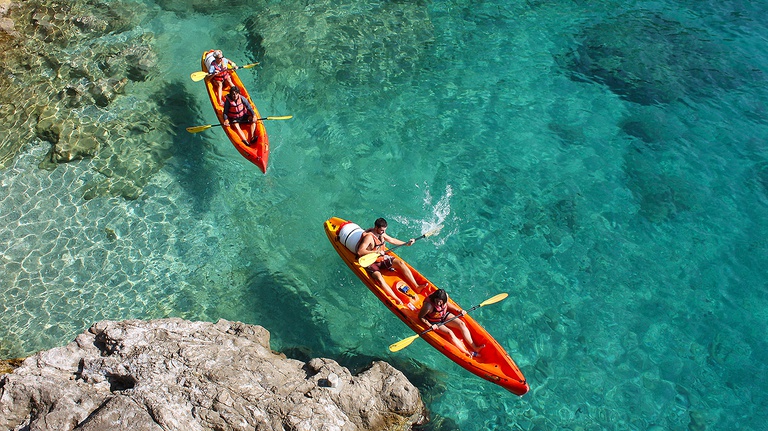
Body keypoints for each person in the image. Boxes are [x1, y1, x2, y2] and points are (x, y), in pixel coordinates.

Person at [356, 218, 428, 306]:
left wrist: (406, 243)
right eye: (382, 230)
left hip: (381, 258)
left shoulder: (381, 234)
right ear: (376, 227)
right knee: (379, 278)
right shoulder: (369, 237)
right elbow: (360, 251)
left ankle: (416, 287)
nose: (383, 232)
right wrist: (376, 252)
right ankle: (396, 299)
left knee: (400, 263)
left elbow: (392, 240)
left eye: (384, 230)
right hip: (371, 261)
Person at [419, 289, 484, 357]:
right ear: (434, 298)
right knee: (450, 333)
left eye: (440, 302)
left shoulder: (446, 296)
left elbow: (447, 304)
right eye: (436, 301)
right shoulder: (428, 306)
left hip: (443, 315)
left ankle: (474, 347)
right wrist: (430, 325)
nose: (438, 303)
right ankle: (466, 352)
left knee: (461, 324)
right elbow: (420, 317)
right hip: (434, 321)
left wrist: (458, 310)